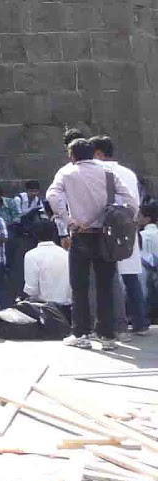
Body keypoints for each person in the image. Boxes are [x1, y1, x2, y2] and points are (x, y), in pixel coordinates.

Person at [47, 137, 140, 349]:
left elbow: (52, 195)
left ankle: (80, 333)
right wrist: (127, 219)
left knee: (79, 285)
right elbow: (130, 200)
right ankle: (106, 335)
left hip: (81, 234)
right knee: (105, 286)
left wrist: (68, 220)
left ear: (72, 156)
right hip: (105, 235)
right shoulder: (108, 172)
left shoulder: (66, 173)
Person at [91, 135, 149, 336]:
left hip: (109, 228)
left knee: (109, 278)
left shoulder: (100, 172)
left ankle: (116, 324)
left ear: (98, 153)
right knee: (131, 275)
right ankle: (140, 322)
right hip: (129, 225)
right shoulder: (128, 173)